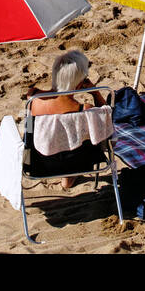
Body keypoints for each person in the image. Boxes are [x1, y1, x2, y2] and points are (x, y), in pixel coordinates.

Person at [28, 49, 106, 187]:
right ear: (79, 83)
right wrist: (95, 93)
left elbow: (28, 129)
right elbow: (107, 118)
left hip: (38, 162)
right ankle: (69, 177)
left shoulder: (32, 97)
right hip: (71, 163)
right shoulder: (84, 109)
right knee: (89, 134)